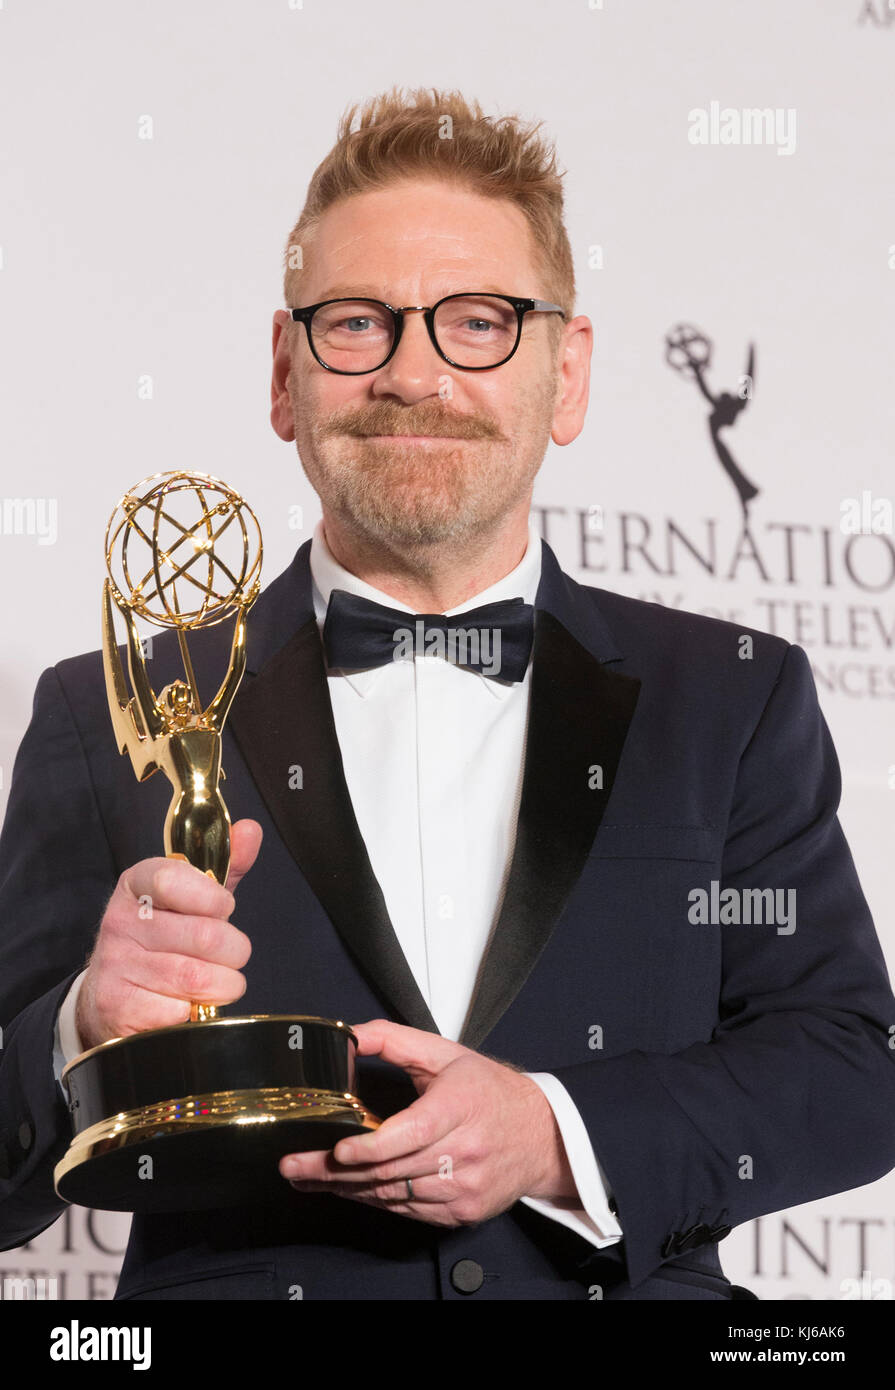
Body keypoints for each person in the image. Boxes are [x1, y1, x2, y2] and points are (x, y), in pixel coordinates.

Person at [1, 87, 894, 1302]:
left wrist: (555, 1131)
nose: (416, 376)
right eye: (358, 323)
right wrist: (81, 1035)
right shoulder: (109, 708)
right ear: (284, 372)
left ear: (565, 374)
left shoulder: (730, 701)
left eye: (479, 321)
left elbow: (850, 1072)